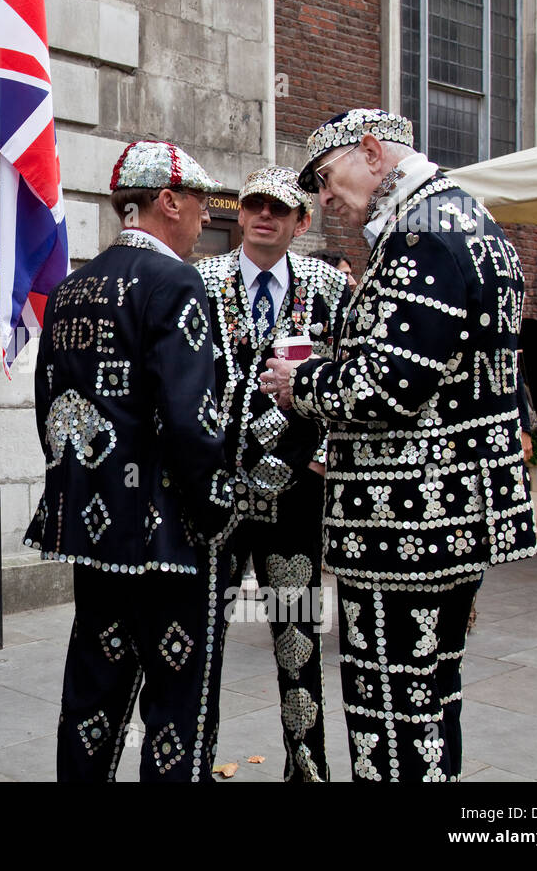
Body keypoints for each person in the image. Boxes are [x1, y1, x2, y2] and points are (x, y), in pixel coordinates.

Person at [261, 108, 537, 781]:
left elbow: (391, 385)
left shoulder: (424, 234)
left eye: (327, 179)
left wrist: (303, 383)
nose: (323, 199)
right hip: (448, 516)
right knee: (430, 700)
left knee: (388, 708)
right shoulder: (472, 221)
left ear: (372, 151)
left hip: (405, 519)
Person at [25, 141, 231, 782]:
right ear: (168, 202)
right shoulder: (176, 282)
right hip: (169, 533)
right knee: (177, 702)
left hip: (94, 530)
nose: (203, 219)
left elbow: (49, 410)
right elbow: (191, 419)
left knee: (95, 684)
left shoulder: (69, 289)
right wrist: (216, 506)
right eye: (199, 204)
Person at [196, 166, 348, 782]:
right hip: (218, 493)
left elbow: (351, 373)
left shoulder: (326, 287)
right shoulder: (202, 280)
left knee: (297, 636)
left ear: (300, 222)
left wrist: (328, 451)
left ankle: (305, 764)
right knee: (204, 641)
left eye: (279, 211)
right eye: (255, 207)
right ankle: (194, 761)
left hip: (296, 494)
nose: (264, 217)